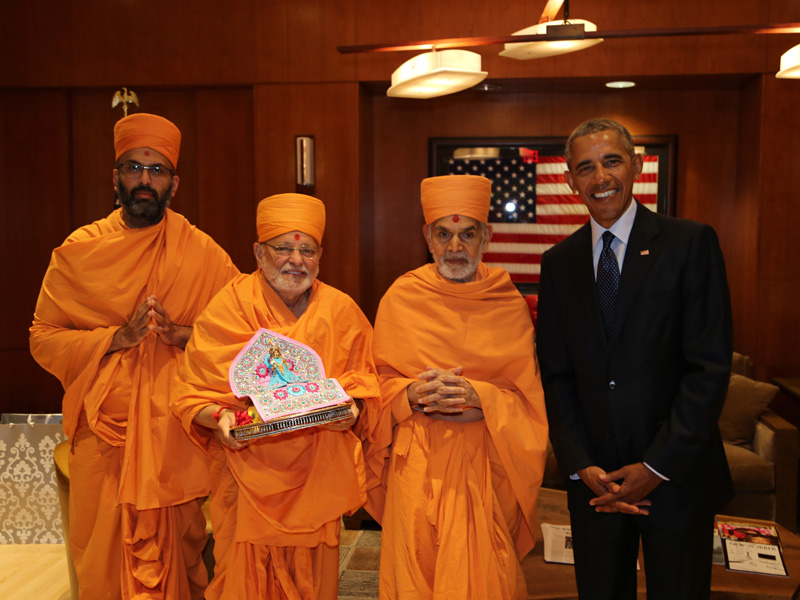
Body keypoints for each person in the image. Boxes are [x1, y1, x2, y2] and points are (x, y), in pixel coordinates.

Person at [29, 113, 240, 600]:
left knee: (178, 557)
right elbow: (42, 337)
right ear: (116, 176)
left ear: (174, 183)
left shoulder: (202, 253)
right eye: (134, 167)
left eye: (157, 170)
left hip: (175, 435)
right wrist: (113, 339)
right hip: (102, 437)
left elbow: (241, 338)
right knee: (100, 559)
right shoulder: (80, 251)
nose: (145, 180)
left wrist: (180, 333)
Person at [536, 118, 733, 600]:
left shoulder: (689, 244)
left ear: (637, 166)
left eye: (611, 161)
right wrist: (581, 465)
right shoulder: (558, 262)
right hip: (596, 486)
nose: (599, 177)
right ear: (570, 180)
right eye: (585, 167)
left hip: (675, 477)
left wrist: (655, 467)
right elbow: (557, 375)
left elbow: (708, 368)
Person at [171, 193, 383, 600]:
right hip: (245, 475)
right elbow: (189, 393)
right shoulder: (228, 308)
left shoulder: (341, 311)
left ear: (321, 255)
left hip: (317, 477)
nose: (296, 260)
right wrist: (218, 417)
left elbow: (367, 385)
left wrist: (353, 412)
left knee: (312, 581)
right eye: (283, 247)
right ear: (258, 252)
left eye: (307, 250)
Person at [369, 174, 549, 600]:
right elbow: (372, 385)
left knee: (484, 576)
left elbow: (529, 398)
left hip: (486, 459)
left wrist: (481, 397)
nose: (455, 248)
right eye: (443, 234)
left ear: (486, 235)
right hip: (417, 456)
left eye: (467, 234)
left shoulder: (506, 301)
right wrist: (409, 394)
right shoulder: (401, 296)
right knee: (416, 567)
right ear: (426, 237)